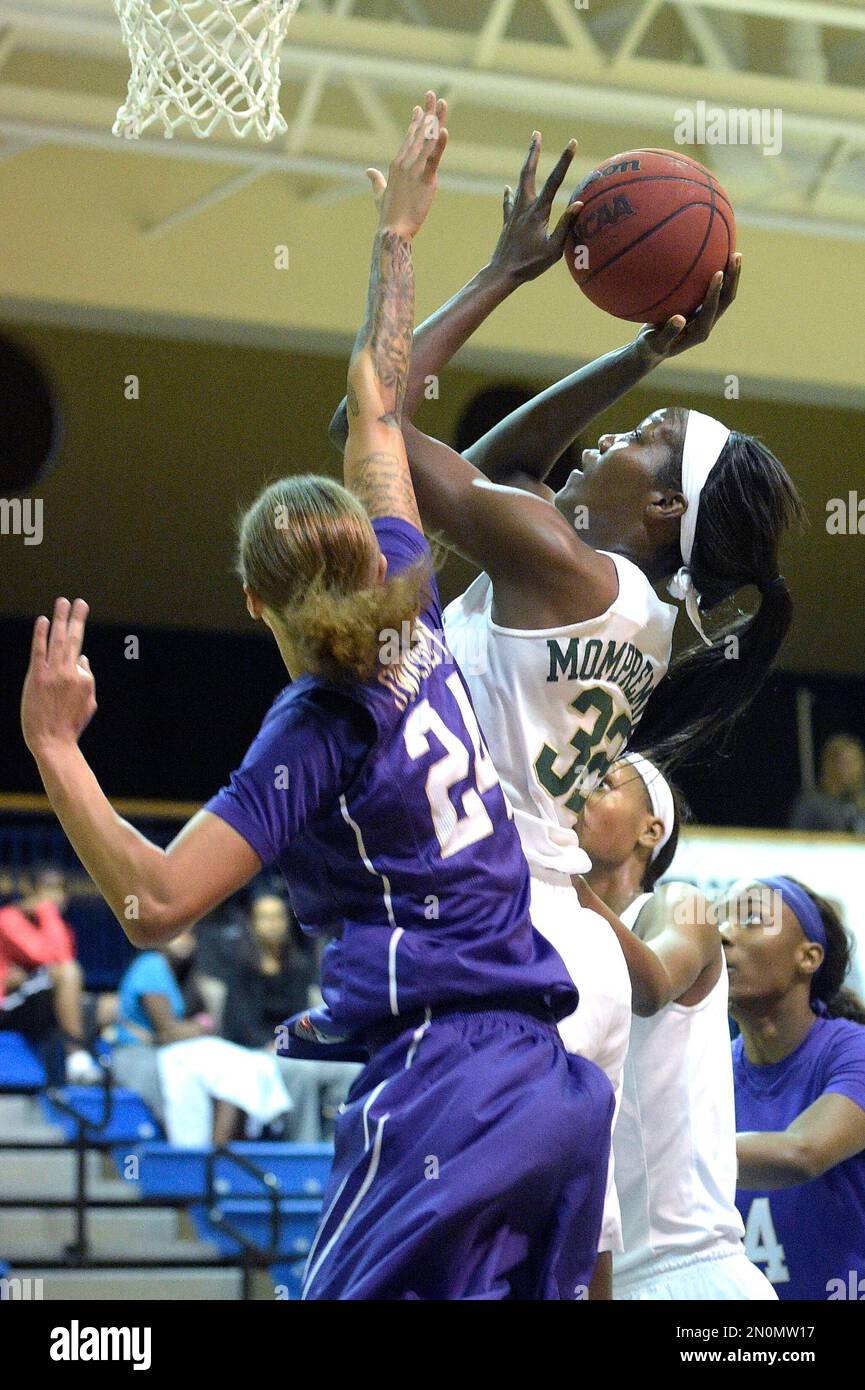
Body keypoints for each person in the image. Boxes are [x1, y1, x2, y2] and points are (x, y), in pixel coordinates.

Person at [19, 93, 614, 1302]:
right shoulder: (407, 583)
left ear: (251, 602)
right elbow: (380, 391)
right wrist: (423, 239)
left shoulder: (315, 727)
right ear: (361, 547)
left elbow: (152, 901)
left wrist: (54, 745)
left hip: (451, 1083)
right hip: (555, 1090)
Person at [330, 127, 801, 1294]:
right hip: (554, 956)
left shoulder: (569, 566)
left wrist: (493, 269)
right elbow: (484, 465)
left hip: (500, 946)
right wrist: (642, 351)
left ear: (658, 515)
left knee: (390, 1270)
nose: (607, 438)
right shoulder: (619, 595)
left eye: (641, 444)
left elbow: (368, 431)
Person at [574, 756, 776, 1300]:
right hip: (604, 1280)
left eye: (604, 783)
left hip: (695, 1274)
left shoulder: (679, 906)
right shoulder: (561, 943)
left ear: (651, 830)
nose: (580, 792)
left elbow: (654, 984)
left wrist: (555, 869)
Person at [723, 876, 865, 1300]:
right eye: (718, 920)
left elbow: (803, 1152)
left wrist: (666, 1151)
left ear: (808, 957)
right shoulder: (708, 1068)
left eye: (750, 918)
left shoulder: (853, 1050)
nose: (723, 934)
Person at [112, 930, 292, 1147]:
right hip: (139, 1058)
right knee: (228, 1069)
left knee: (240, 1069)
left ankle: (222, 1154)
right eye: (177, 933)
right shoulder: (152, 965)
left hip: (165, 1053)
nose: (184, 939)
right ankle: (210, 1157)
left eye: (190, 934)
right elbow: (167, 1032)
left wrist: (197, 1026)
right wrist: (199, 1027)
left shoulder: (184, 972)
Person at [222, 892, 360, 1142]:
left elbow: (300, 1016)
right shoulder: (239, 966)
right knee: (302, 1074)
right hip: (252, 1050)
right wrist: (271, 1044)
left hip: (288, 1046)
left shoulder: (299, 965)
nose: (273, 924)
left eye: (278, 917)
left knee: (347, 1071)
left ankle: (336, 1145)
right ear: (253, 924)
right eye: (265, 918)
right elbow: (239, 1022)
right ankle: (303, 1148)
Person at [0, 866, 101, 1082]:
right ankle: (77, 1057)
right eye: (48, 888)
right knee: (68, 973)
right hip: (8, 1008)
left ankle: (105, 1071)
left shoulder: (57, 927)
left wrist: (49, 917)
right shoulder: (8, 918)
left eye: (61, 890)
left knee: (111, 1006)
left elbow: (61, 957)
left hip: (39, 1004)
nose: (56, 896)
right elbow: (47, 958)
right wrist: (48, 910)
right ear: (31, 891)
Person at [789, 733, 865, 834]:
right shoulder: (812, 803)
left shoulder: (860, 802)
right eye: (845, 763)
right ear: (831, 765)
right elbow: (794, 838)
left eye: (855, 762)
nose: (852, 769)